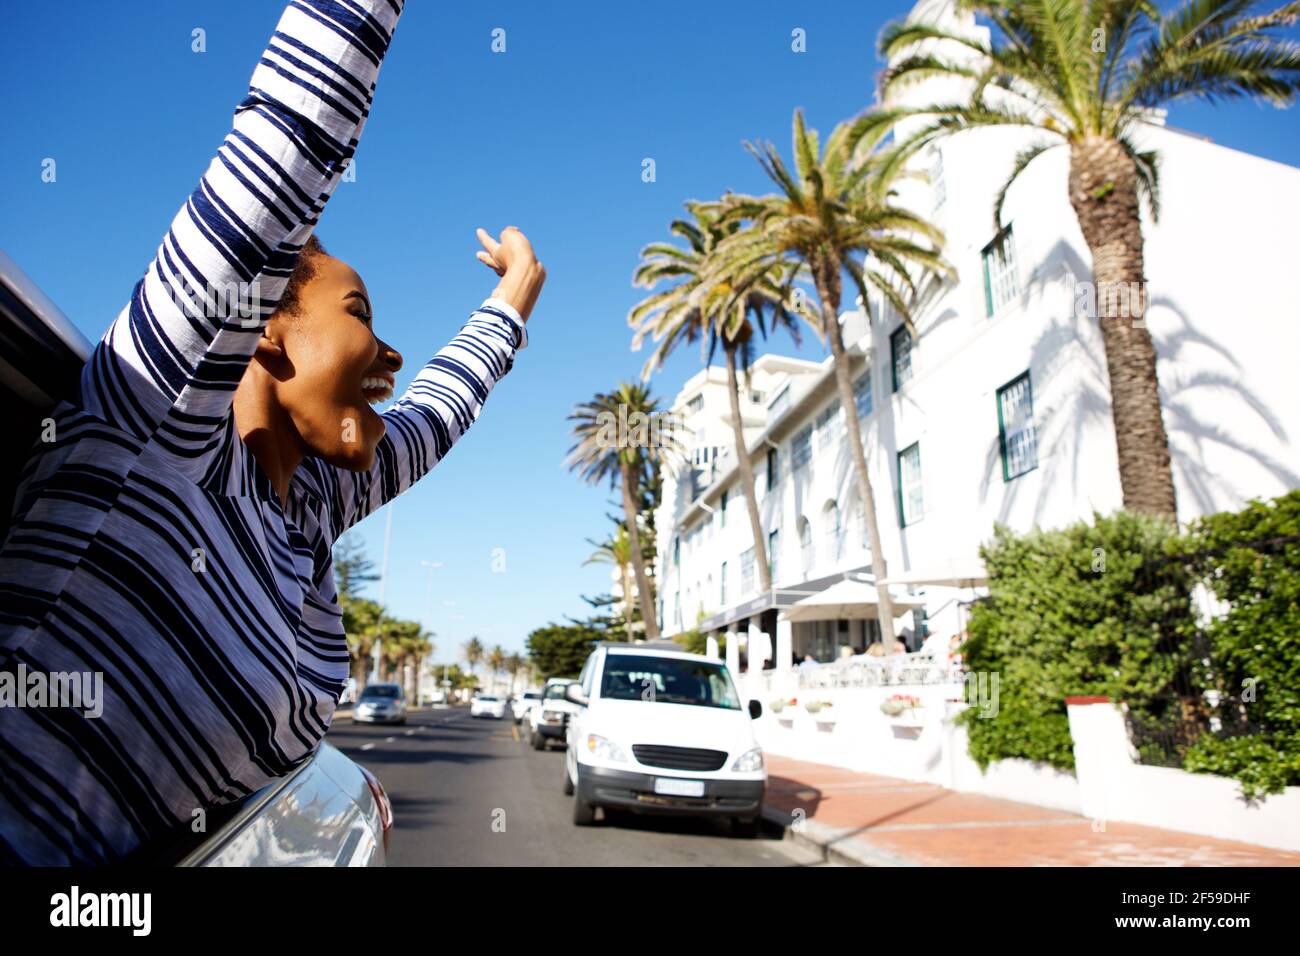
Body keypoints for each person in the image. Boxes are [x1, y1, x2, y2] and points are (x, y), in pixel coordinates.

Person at [0, 0, 544, 865]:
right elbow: (284, 145)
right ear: (258, 322)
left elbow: (437, 414)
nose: (392, 353)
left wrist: (513, 298)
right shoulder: (159, 422)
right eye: (361, 313)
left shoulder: (303, 519)